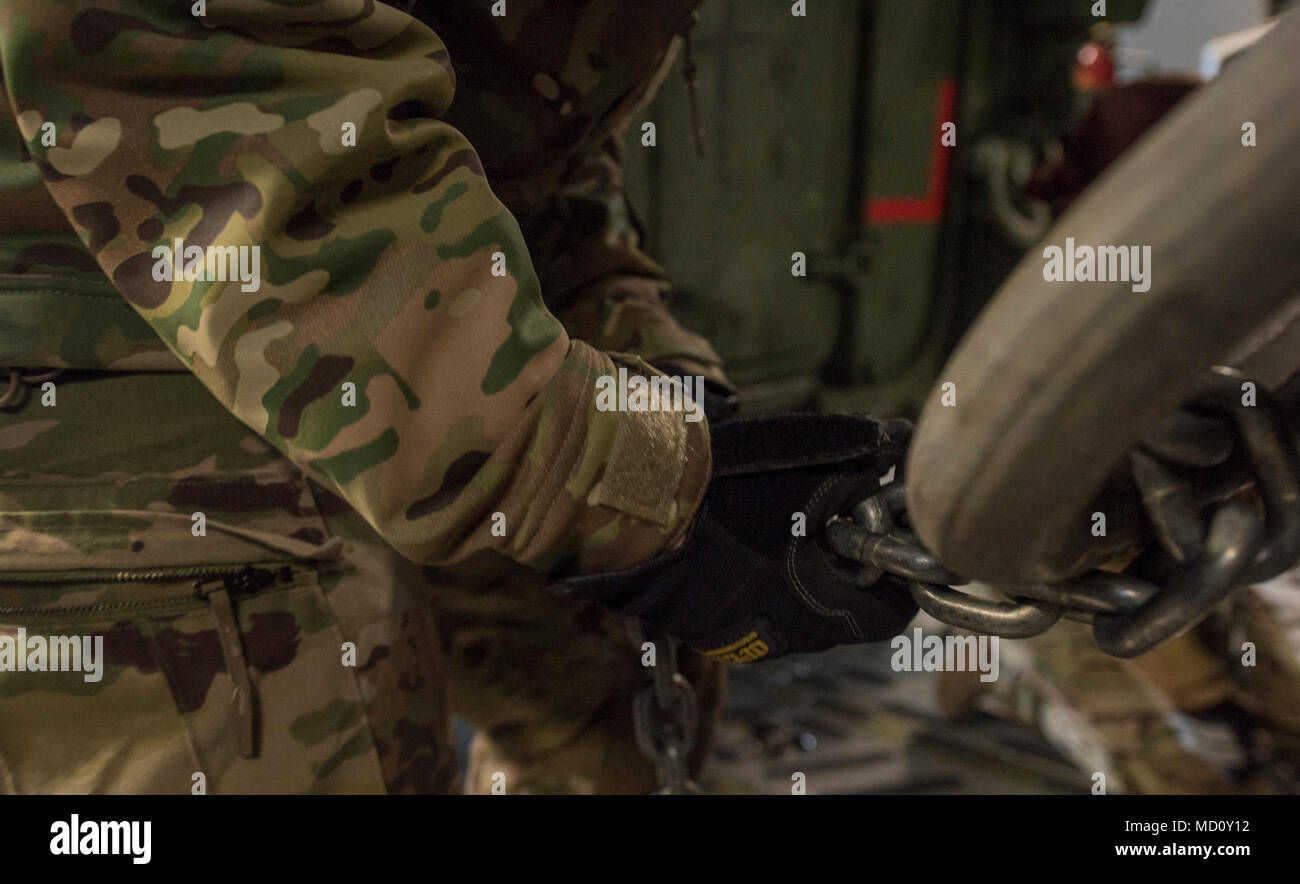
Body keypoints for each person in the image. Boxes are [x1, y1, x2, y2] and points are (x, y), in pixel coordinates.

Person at [0, 0, 914, 793]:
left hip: (369, 368)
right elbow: (204, 62)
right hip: (116, 412)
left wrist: (661, 384)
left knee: (606, 701)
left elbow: (513, 138)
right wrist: (609, 472)